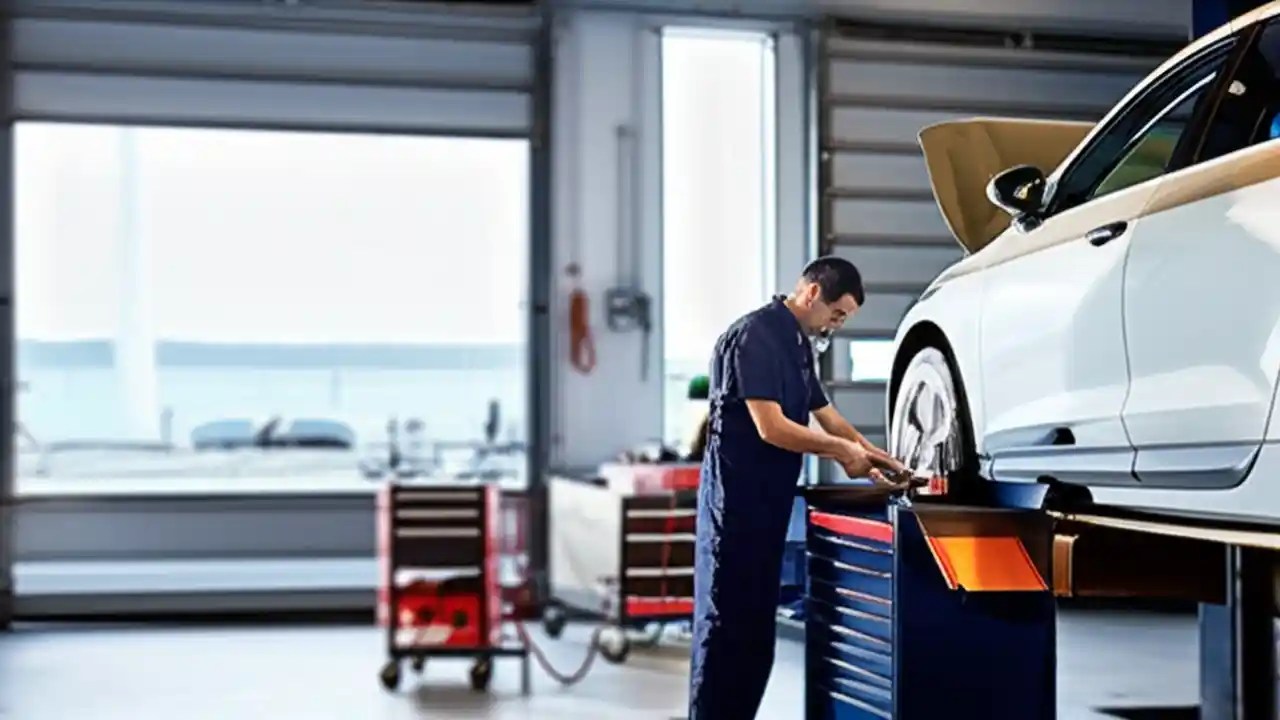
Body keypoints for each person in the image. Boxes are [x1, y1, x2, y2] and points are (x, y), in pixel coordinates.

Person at [687, 256, 906, 720]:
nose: (838, 324)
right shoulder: (753, 337)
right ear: (812, 295)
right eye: (838, 314)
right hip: (734, 518)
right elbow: (773, 428)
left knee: (754, 643)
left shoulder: (798, 346)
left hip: (765, 516)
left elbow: (829, 418)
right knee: (725, 640)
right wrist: (842, 453)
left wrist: (877, 461)